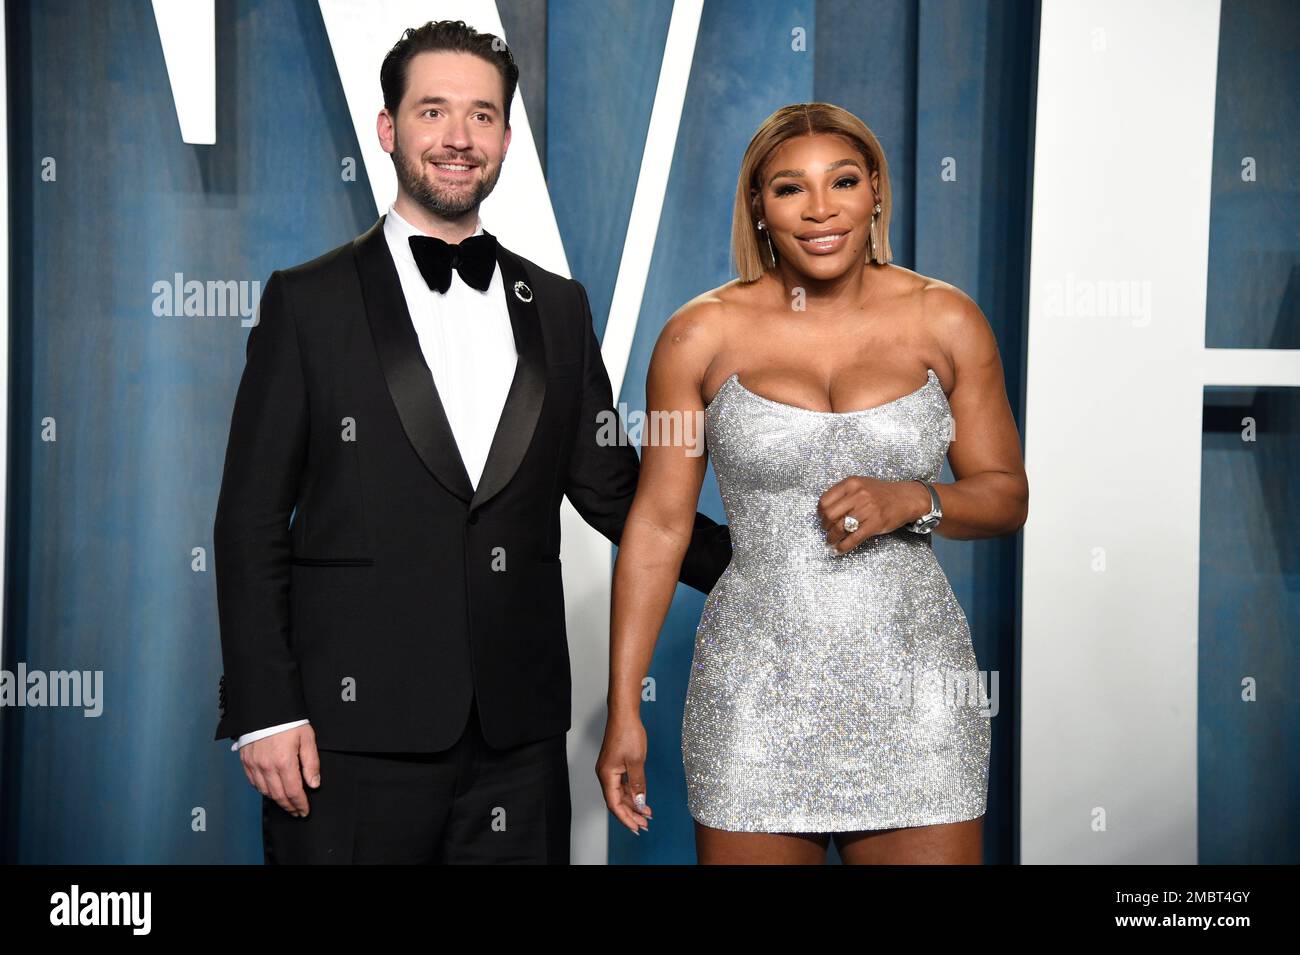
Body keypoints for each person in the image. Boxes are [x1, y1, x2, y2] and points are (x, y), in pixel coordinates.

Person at [212, 19, 731, 865]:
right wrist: (267, 710)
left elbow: (611, 491)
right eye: (433, 112)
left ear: (506, 136)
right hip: (346, 738)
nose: (458, 139)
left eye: (482, 116)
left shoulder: (559, 306)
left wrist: (761, 572)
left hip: (516, 740)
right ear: (388, 128)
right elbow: (251, 521)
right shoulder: (307, 303)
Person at [596, 103, 1028, 864]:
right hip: (753, 696)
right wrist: (624, 703)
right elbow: (661, 525)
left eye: (844, 181)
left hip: (918, 695)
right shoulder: (695, 336)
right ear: (759, 209)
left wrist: (915, 500)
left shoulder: (947, 319)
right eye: (790, 189)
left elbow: (1004, 493)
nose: (821, 209)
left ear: (876, 195)